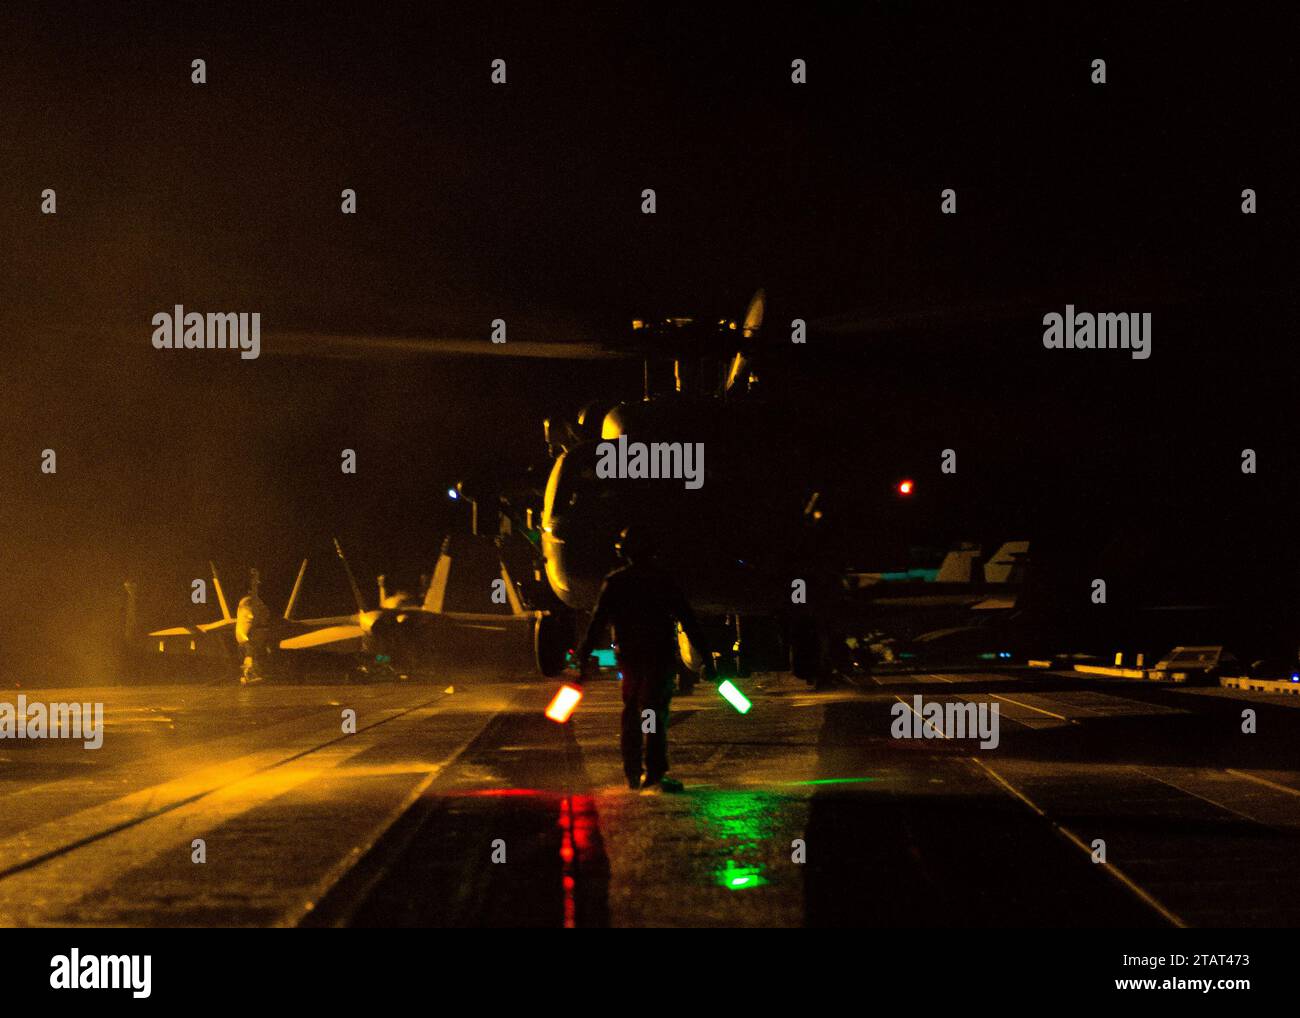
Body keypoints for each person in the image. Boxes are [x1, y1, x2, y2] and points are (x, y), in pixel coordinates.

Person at [577, 525, 715, 793]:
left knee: (631, 713)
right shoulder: (663, 580)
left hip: (630, 657)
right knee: (653, 711)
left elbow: (597, 622)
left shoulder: (615, 582)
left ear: (622, 551)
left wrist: (583, 659)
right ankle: (654, 772)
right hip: (658, 656)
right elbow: (688, 619)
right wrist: (707, 658)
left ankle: (632, 773)